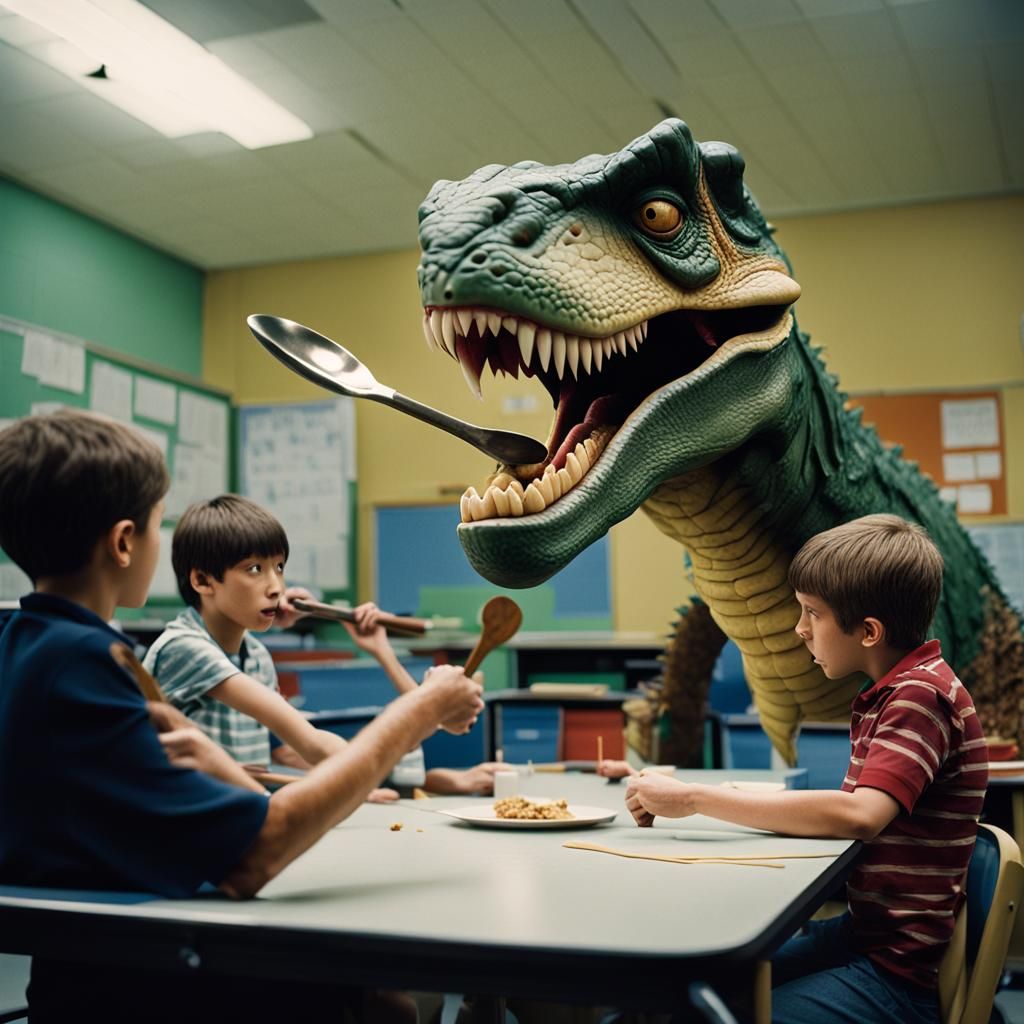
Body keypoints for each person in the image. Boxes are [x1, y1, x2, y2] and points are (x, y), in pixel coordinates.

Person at [0, 410, 483, 1023]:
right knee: (391, 997)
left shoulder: (31, 644)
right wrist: (420, 710)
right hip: (143, 982)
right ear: (124, 542)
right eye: (156, 525)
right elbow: (260, 851)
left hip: (108, 960)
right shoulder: (87, 665)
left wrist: (220, 768)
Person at [622, 514, 988, 1024]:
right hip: (865, 935)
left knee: (718, 1008)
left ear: (868, 632)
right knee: (704, 987)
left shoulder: (920, 697)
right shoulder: (901, 690)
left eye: (812, 614)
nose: (799, 629)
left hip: (897, 973)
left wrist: (694, 799)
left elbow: (860, 815)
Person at [143, 494, 502, 798]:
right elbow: (310, 743)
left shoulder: (254, 656)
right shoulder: (184, 648)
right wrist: (360, 777)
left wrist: (379, 779)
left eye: (279, 567)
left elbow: (285, 751)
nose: (275, 586)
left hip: (236, 820)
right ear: (202, 580)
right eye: (254, 569)